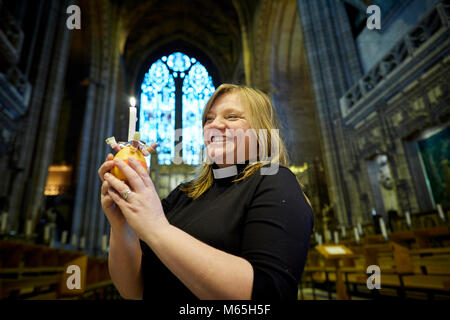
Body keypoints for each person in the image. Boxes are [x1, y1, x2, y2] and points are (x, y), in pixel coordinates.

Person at [98, 84, 314, 300]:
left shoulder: (275, 181)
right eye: (208, 119)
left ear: (262, 131)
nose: (215, 125)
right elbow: (134, 292)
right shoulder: (183, 194)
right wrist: (121, 226)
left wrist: (157, 228)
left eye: (231, 116)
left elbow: (267, 295)